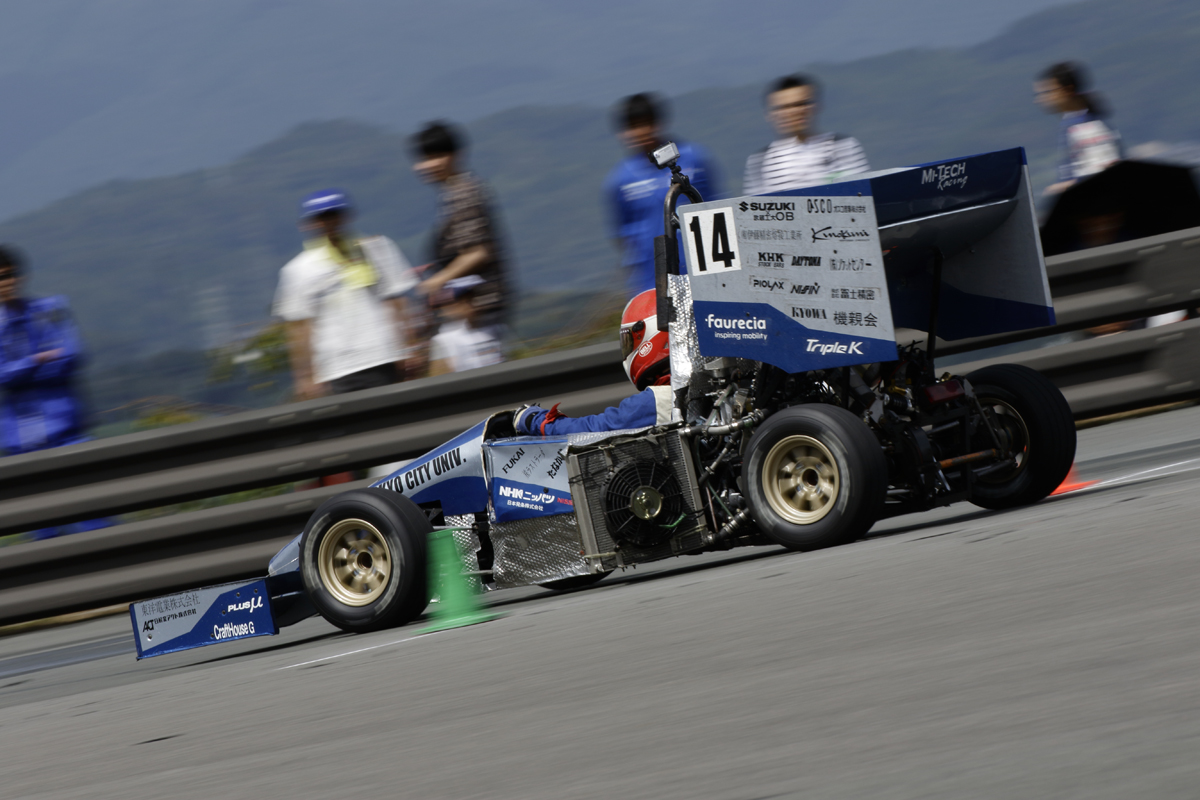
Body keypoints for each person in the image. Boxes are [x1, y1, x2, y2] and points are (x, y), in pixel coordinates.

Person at [0, 245, 108, 538]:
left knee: (96, 524)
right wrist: (36, 359)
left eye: (8, 275)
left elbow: (72, 356)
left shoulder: (49, 310)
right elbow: (3, 375)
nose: (5, 283)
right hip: (23, 445)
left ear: (20, 276)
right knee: (44, 536)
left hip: (69, 433)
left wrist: (21, 369)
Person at [273, 189, 418, 399]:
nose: (329, 223)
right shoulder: (297, 270)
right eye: (321, 217)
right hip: (336, 367)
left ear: (346, 216)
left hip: (382, 355)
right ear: (308, 224)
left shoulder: (378, 248)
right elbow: (298, 327)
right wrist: (305, 376)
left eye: (334, 215)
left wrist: (411, 347)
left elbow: (397, 301)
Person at [604, 93, 720, 297]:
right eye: (634, 126)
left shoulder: (694, 158)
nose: (642, 132)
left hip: (701, 274)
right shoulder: (620, 180)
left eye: (647, 123)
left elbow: (718, 211)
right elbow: (623, 236)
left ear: (659, 122)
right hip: (651, 282)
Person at [515, 290, 674, 435]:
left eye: (629, 340)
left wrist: (537, 421)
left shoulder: (659, 399)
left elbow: (593, 430)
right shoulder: (692, 383)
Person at [411, 121, 511, 341]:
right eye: (426, 158)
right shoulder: (455, 191)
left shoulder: (463, 193)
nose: (431, 164)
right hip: (476, 309)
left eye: (439, 156)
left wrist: (437, 280)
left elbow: (477, 252)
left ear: (457, 155)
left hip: (477, 310)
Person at [743, 73, 870, 195]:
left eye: (802, 104)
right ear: (769, 115)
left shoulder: (843, 146)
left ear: (816, 106)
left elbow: (863, 196)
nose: (795, 111)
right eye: (784, 107)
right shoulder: (759, 161)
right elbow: (753, 211)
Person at [1035, 61, 1122, 196]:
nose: (1040, 99)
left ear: (1067, 90)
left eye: (1047, 91)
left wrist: (1061, 188)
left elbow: (1102, 177)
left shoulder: (1087, 127)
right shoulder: (1071, 123)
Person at [428, 275, 504, 375]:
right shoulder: (444, 341)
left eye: (478, 296)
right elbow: (439, 381)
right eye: (468, 299)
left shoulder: (498, 329)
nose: (475, 303)